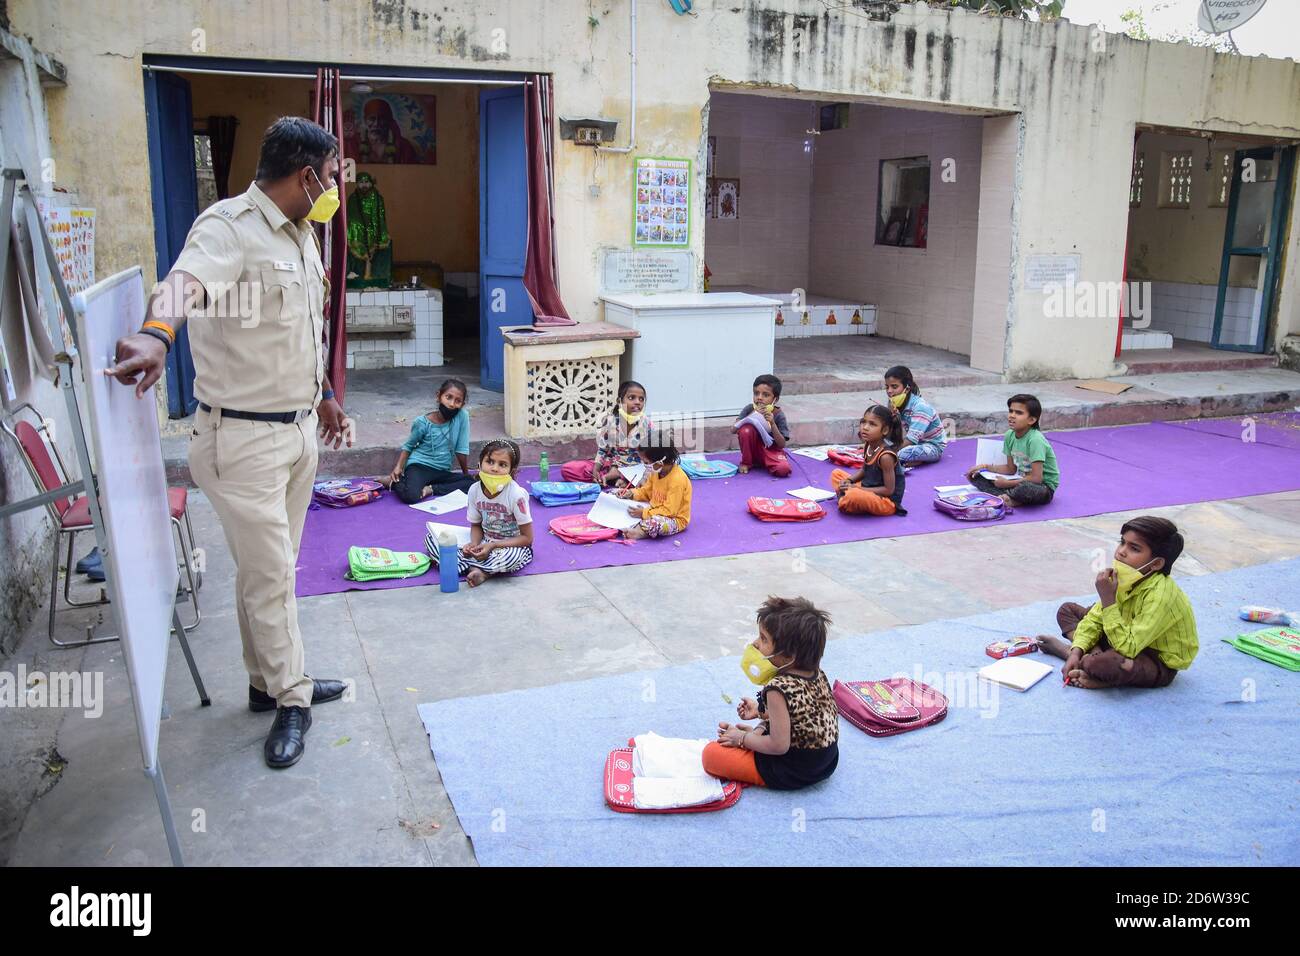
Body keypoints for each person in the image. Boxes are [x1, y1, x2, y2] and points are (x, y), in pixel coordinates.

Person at [107, 117, 350, 769]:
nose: (334, 187)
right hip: (241, 441)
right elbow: (183, 282)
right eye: (330, 176)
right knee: (270, 575)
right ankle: (291, 699)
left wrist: (324, 393)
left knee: (269, 570)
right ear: (306, 175)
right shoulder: (228, 228)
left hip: (297, 432)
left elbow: (302, 327)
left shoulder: (303, 236)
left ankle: (264, 681)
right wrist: (157, 334)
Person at [1037, 517, 1198, 689]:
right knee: (1067, 610)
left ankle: (1085, 660)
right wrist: (1076, 651)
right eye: (1122, 542)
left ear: (1156, 564)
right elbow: (1095, 618)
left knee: (1106, 664)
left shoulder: (1162, 595)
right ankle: (1082, 655)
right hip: (1121, 634)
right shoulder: (1127, 575)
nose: (1121, 552)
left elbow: (1128, 648)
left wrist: (1107, 598)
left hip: (1152, 657)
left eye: (1134, 548)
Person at [703, 596, 839, 790]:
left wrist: (741, 740)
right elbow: (801, 714)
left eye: (764, 639)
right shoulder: (816, 673)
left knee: (710, 755)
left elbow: (778, 746)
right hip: (826, 761)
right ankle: (757, 738)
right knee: (759, 733)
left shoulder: (778, 687)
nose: (756, 644)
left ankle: (753, 746)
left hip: (794, 770)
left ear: (789, 656)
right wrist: (760, 712)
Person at [430, 439, 534, 587]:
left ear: (512, 470)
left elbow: (527, 538)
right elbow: (476, 525)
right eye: (490, 462)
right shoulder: (474, 490)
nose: (494, 468)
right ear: (479, 464)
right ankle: (477, 567)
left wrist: (494, 546)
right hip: (484, 541)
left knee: (512, 558)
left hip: (510, 546)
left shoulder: (517, 495)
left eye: (502, 464)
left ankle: (477, 570)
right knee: (434, 539)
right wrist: (473, 544)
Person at [382, 378, 476, 502]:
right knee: (411, 496)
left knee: (473, 485)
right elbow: (408, 446)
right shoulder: (422, 422)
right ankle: (393, 483)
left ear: (462, 405)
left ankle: (431, 489)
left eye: (458, 401)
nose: (452, 404)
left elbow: (461, 449)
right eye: (448, 397)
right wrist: (399, 467)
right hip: (419, 466)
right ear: (439, 396)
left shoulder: (462, 416)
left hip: (442, 470)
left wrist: (465, 475)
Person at [967, 394, 1060, 509]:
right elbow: (1010, 469)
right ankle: (1008, 497)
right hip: (1018, 480)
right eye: (1011, 411)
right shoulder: (1009, 435)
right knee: (978, 478)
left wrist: (1007, 484)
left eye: (1019, 413)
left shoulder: (1035, 440)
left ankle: (1011, 498)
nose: (1012, 416)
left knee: (1025, 489)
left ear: (1031, 420)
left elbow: (1037, 478)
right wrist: (983, 467)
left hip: (1042, 487)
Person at [559, 380, 652, 487]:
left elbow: (650, 456)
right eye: (631, 398)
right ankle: (611, 478)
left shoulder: (646, 424)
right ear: (619, 401)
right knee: (568, 469)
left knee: (655, 474)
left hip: (636, 468)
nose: (637, 402)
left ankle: (619, 478)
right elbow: (603, 450)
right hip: (609, 466)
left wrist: (624, 471)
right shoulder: (610, 421)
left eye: (641, 399)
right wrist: (596, 470)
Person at [829, 405, 907, 516]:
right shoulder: (868, 445)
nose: (865, 427)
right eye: (863, 422)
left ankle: (846, 499)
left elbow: (888, 490)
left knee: (854, 496)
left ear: (885, 430)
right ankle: (847, 497)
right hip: (869, 487)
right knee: (836, 474)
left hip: (885, 501)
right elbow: (865, 470)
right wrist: (849, 481)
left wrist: (858, 488)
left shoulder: (886, 457)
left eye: (872, 424)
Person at [615, 440, 692, 540]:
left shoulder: (677, 480)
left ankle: (639, 532)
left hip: (674, 519)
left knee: (656, 522)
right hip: (652, 510)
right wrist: (631, 493)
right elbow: (646, 492)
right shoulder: (655, 472)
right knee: (628, 507)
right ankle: (639, 526)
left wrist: (643, 513)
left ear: (660, 461)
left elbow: (669, 511)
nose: (644, 465)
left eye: (646, 462)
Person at [883, 365, 946, 467]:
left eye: (894, 386)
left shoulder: (920, 407)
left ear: (907, 389)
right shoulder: (894, 403)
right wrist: (891, 417)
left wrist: (884, 452)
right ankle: (916, 459)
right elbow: (890, 433)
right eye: (887, 387)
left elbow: (911, 440)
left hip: (931, 447)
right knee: (879, 443)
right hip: (914, 444)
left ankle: (921, 458)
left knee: (898, 454)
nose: (889, 391)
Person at [733, 374, 792, 477]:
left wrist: (772, 424)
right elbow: (733, 429)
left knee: (783, 470)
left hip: (771, 452)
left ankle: (770, 462)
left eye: (765, 395)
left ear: (775, 399)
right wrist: (752, 415)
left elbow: (782, 444)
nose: (759, 398)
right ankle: (747, 462)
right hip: (753, 451)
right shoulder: (749, 409)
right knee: (746, 429)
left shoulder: (778, 414)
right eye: (756, 393)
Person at [345, 171, 392, 288]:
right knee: (354, 246)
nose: (364, 185)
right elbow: (352, 218)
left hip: (375, 230)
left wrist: (379, 233)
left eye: (366, 182)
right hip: (358, 232)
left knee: (384, 245)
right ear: (357, 184)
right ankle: (357, 274)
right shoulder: (352, 199)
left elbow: (380, 217)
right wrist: (359, 229)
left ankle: (377, 275)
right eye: (361, 182)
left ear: (371, 183)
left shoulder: (378, 198)